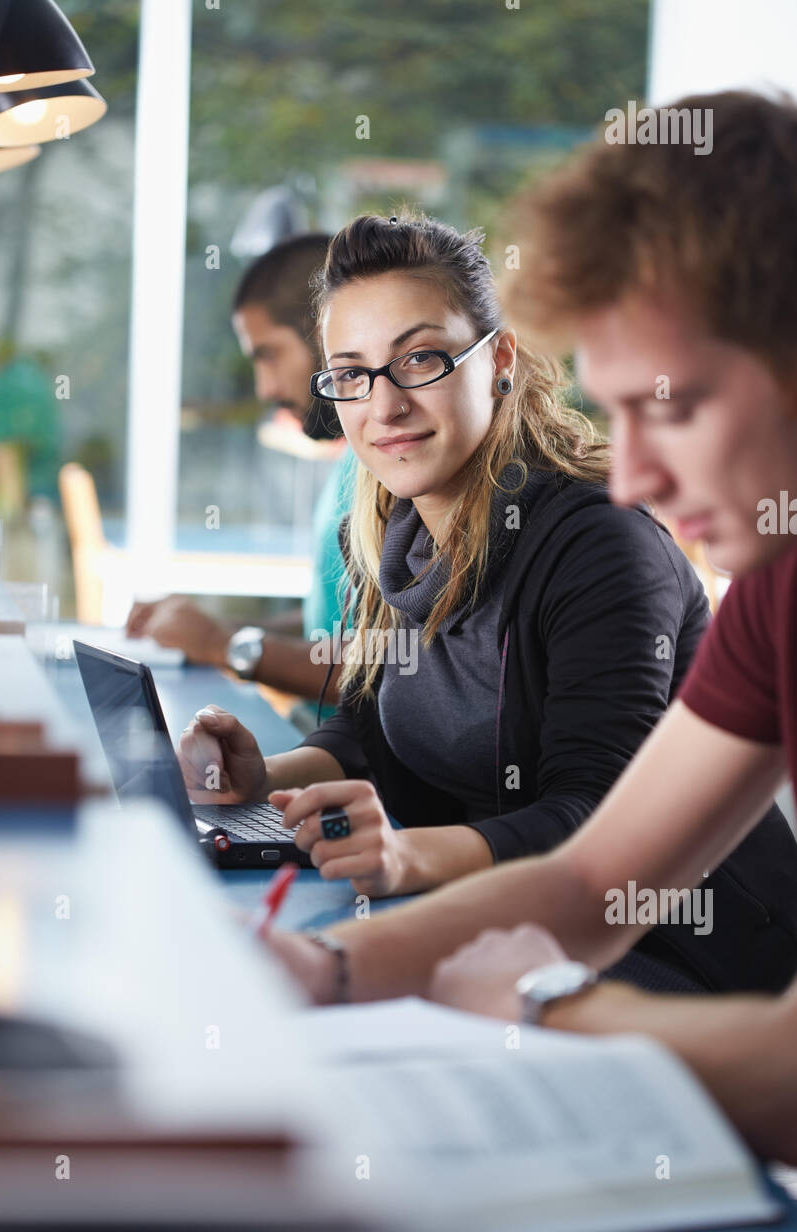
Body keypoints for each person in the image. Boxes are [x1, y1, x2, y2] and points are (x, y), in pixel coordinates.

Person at [259, 92, 797, 1164]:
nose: (633, 471)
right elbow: (592, 876)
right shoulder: (774, 590)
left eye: (672, 405)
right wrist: (323, 973)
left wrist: (546, 1008)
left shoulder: (601, 540)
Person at [178, 209, 797, 996]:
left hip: (672, 953)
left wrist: (411, 861)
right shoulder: (385, 534)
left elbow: (594, 821)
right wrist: (260, 780)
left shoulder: (599, 545)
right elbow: (371, 730)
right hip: (515, 919)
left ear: (497, 359)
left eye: (422, 360)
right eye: (352, 374)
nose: (384, 405)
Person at [126, 234, 356, 711]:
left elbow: (386, 668)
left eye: (269, 354)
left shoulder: (397, 473)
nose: (265, 387)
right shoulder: (352, 461)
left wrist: (223, 646)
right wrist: (210, 629)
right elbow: (334, 623)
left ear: (325, 333)